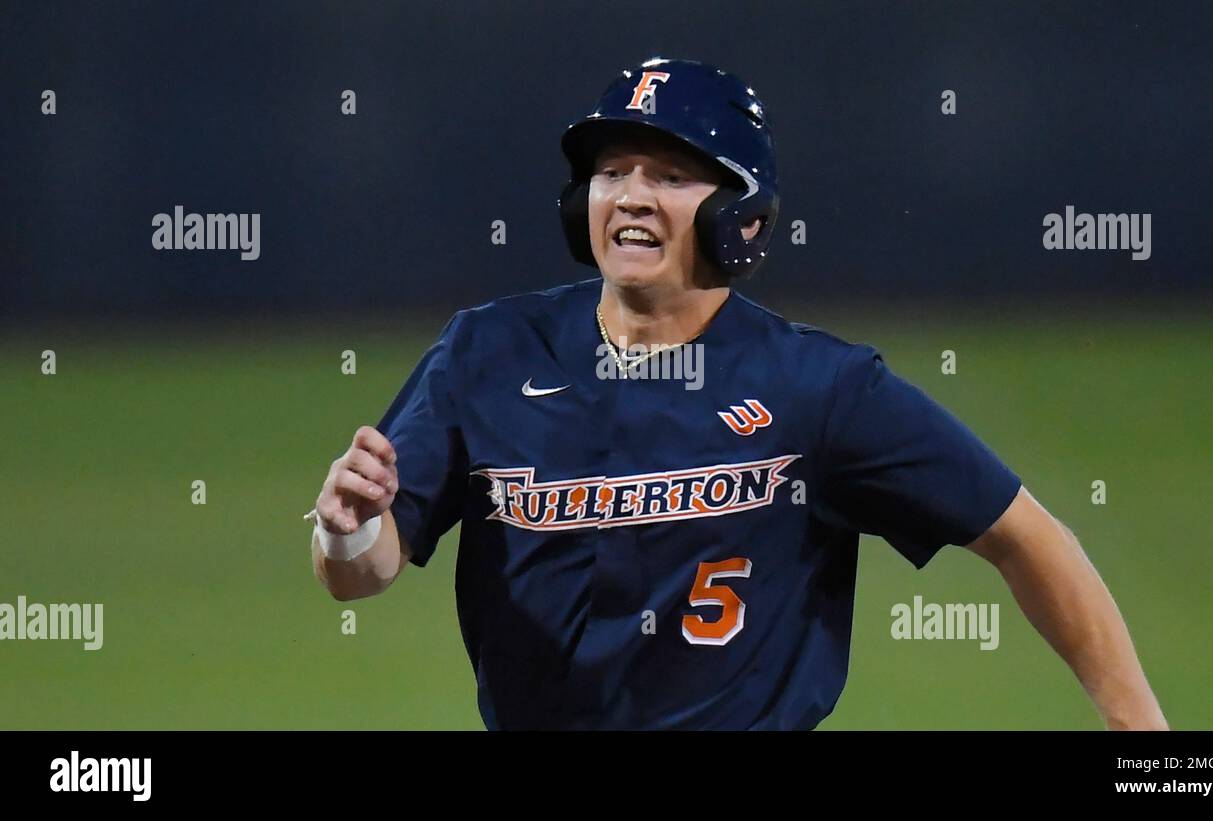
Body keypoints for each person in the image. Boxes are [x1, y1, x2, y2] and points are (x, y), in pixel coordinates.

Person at [308, 57, 1168, 731]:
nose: (632, 195)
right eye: (613, 171)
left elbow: (1027, 537)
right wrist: (348, 530)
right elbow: (360, 573)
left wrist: (1143, 734)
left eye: (671, 175)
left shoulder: (819, 388)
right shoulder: (488, 353)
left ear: (740, 217)